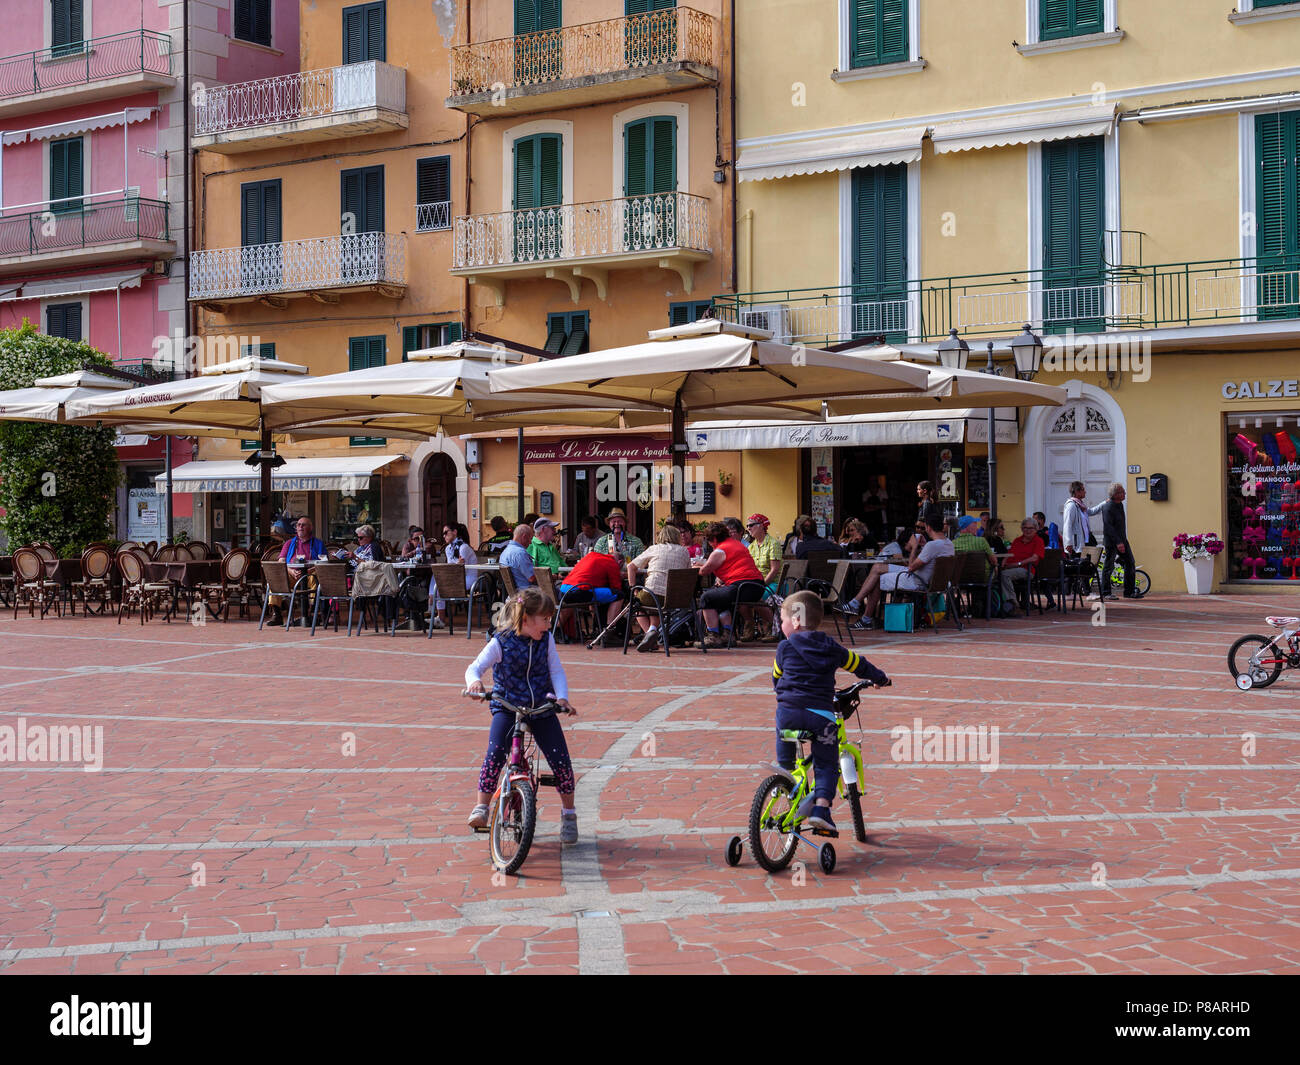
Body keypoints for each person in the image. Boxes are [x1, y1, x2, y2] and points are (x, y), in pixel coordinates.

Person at [464, 589, 578, 842]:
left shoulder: (545, 639)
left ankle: (569, 813)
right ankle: (482, 807)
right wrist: (475, 684)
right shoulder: (500, 641)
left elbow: (556, 670)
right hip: (507, 705)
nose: (549, 624)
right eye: (545, 619)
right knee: (495, 753)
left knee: (561, 760)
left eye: (550, 619)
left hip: (540, 706)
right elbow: (475, 668)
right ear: (526, 619)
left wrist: (561, 698)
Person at [773, 591, 890, 832]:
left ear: (795, 621)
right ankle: (822, 809)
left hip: (789, 713)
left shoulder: (784, 648)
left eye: (782, 619)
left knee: (781, 723)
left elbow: (776, 678)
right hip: (821, 718)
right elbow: (860, 665)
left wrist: (787, 694)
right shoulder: (831, 648)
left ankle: (784, 772)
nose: (781, 625)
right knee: (826, 763)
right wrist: (880, 678)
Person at [845, 512, 953, 629]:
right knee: (877, 568)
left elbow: (911, 567)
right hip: (932, 581)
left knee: (877, 577)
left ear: (928, 527)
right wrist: (921, 549)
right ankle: (857, 607)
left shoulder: (932, 545)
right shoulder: (949, 544)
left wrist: (914, 547)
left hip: (917, 581)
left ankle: (862, 614)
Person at [697, 521, 767, 647]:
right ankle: (728, 635)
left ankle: (713, 636)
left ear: (713, 539)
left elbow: (704, 571)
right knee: (720, 598)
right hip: (757, 586)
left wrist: (695, 566)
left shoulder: (719, 551)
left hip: (742, 587)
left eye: (709, 540)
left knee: (706, 598)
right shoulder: (736, 544)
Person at [627, 524, 692, 652]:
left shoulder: (654, 549)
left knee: (636, 605)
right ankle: (652, 632)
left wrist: (633, 588)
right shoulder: (684, 551)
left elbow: (631, 567)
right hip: (675, 599)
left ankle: (650, 635)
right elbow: (687, 573)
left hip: (652, 594)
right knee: (655, 605)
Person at [557, 543, 626, 630]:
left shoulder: (591, 555)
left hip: (564, 589)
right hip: (578, 590)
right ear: (620, 562)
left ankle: (558, 630)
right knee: (619, 595)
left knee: (596, 593)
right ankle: (608, 631)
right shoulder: (612, 563)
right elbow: (616, 587)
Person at [428, 523, 477, 630]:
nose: (444, 536)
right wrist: (456, 565)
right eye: (443, 534)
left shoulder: (464, 547)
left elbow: (462, 570)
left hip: (468, 579)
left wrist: (456, 566)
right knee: (437, 579)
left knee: (440, 586)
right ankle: (436, 614)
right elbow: (453, 567)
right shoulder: (448, 548)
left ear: (454, 532)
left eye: (446, 532)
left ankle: (438, 616)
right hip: (456, 577)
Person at [1062, 480, 1103, 594]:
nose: (1085, 492)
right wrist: (1068, 543)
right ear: (1077, 491)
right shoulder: (1071, 506)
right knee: (1074, 567)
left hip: (1085, 540)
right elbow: (1067, 525)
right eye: (1083, 489)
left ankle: (1084, 589)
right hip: (1076, 543)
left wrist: (1104, 503)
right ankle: (1068, 591)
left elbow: (1091, 511)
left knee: (1084, 566)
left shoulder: (1080, 505)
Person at [1000, 517, 1046, 616]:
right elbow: (1010, 554)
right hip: (1012, 568)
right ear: (1021, 529)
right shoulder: (1017, 540)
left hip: (1027, 570)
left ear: (1036, 529)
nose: (1028, 530)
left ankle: (1013, 604)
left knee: (1004, 575)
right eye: (1025, 528)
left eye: (1031, 528)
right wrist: (1004, 561)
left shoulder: (1038, 541)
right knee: (994, 574)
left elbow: (1034, 558)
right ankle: (998, 606)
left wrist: (1019, 563)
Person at [1100, 482, 1136, 600]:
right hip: (1112, 542)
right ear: (1115, 494)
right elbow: (1109, 527)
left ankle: (1129, 591)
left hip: (1123, 540)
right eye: (1122, 492)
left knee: (1130, 563)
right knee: (1108, 567)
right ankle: (1106, 592)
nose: (1125, 493)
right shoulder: (1108, 507)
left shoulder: (1119, 504)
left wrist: (1122, 541)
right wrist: (1118, 542)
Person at [746, 514, 783, 596]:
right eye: (747, 525)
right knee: (741, 597)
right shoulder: (751, 546)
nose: (748, 528)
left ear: (761, 526)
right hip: (756, 584)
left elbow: (774, 570)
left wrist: (762, 585)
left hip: (773, 584)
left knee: (755, 597)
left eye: (751, 525)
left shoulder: (773, 544)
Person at [953, 515, 996, 582]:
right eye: (974, 524)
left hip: (960, 578)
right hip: (982, 578)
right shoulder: (981, 541)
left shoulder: (953, 544)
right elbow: (994, 561)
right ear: (968, 527)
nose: (976, 527)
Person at [497, 524, 537, 592]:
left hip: (513, 594)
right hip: (527, 593)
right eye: (530, 539)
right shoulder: (520, 553)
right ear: (524, 537)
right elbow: (531, 578)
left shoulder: (505, 552)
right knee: (558, 590)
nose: (530, 543)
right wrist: (549, 576)